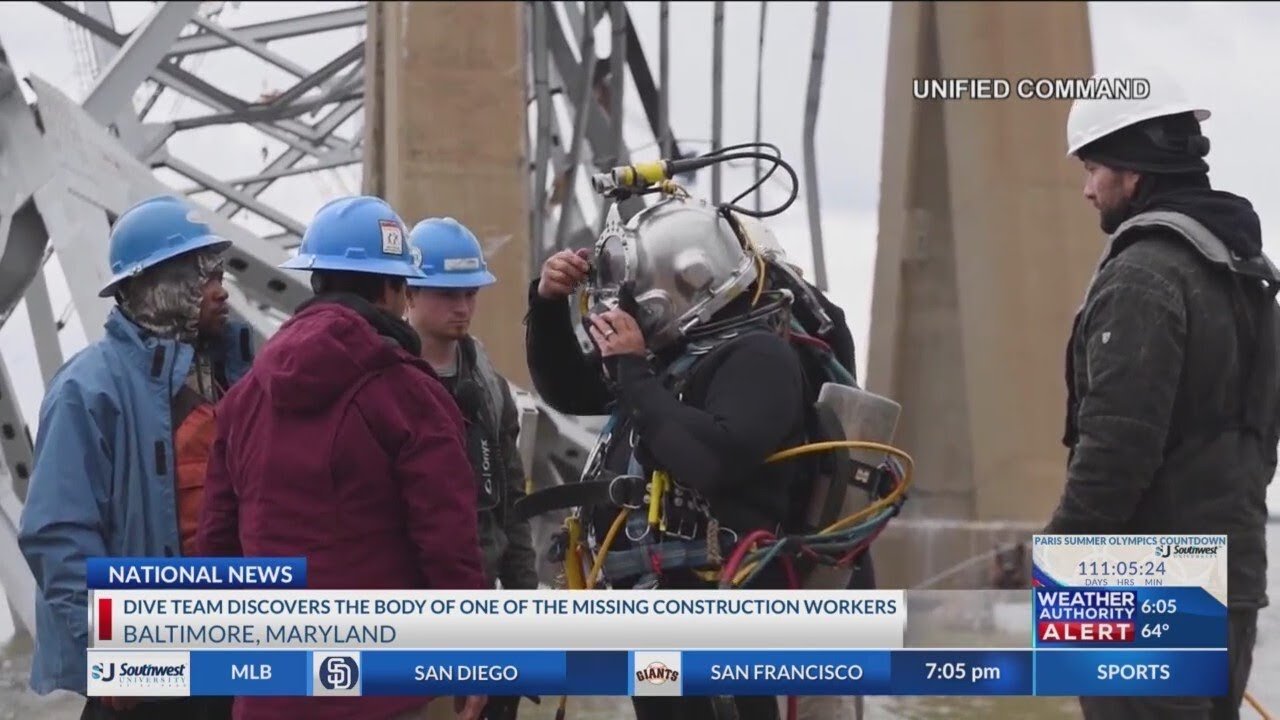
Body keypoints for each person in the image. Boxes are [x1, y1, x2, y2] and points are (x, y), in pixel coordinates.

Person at [196, 196, 488, 720]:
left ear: (316, 281)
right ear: (392, 289)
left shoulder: (244, 398)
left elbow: (217, 549)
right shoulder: (409, 394)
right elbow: (448, 542)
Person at [523, 197, 811, 720]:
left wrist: (634, 371)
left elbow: (711, 460)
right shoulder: (671, 360)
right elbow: (568, 389)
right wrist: (546, 306)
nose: (620, 312)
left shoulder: (758, 357)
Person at [1048, 72, 1280, 720]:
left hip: (1143, 579)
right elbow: (1262, 443)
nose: (1088, 189)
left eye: (1094, 168)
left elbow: (1116, 450)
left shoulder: (1143, 273)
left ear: (1135, 168)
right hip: (1235, 577)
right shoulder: (1245, 274)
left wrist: (1060, 563)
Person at [19, 194, 252, 720]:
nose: (221, 292)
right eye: (202, 276)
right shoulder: (87, 390)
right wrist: (111, 655)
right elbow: (58, 535)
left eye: (218, 273)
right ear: (154, 288)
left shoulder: (238, 375)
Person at [404, 217, 538, 720]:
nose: (461, 308)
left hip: (481, 598)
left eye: (469, 293)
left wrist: (525, 605)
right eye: (445, 294)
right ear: (409, 294)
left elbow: (510, 497)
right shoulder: (385, 379)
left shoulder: (487, 383)